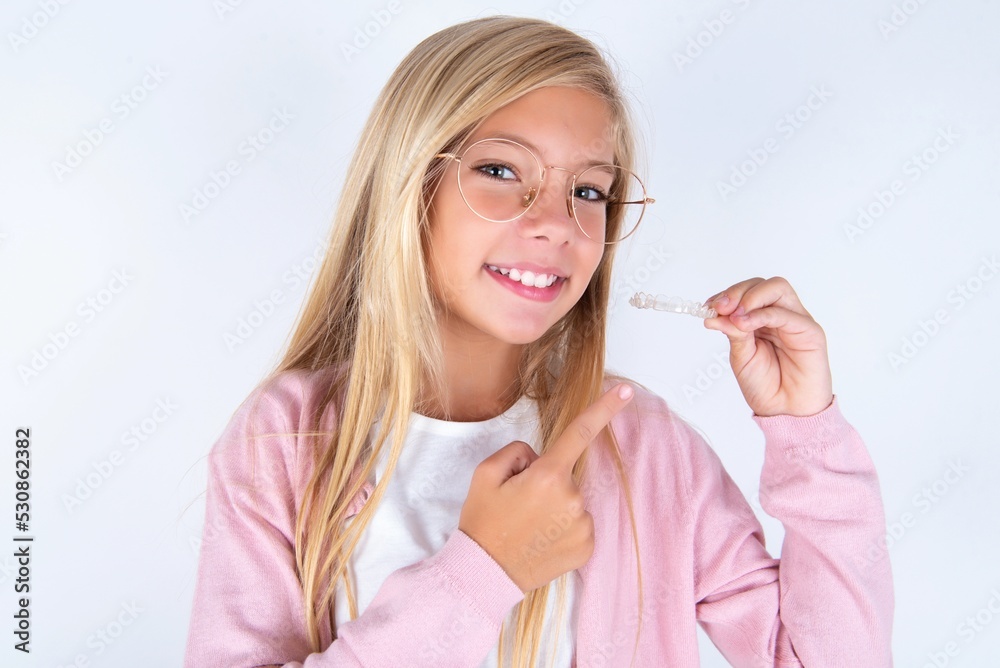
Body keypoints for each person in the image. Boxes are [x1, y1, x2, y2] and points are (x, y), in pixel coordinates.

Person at [183, 15, 894, 668]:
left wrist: (807, 432)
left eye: (588, 191)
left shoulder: (641, 447)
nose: (556, 222)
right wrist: (485, 569)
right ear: (408, 184)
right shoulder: (288, 442)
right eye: (500, 171)